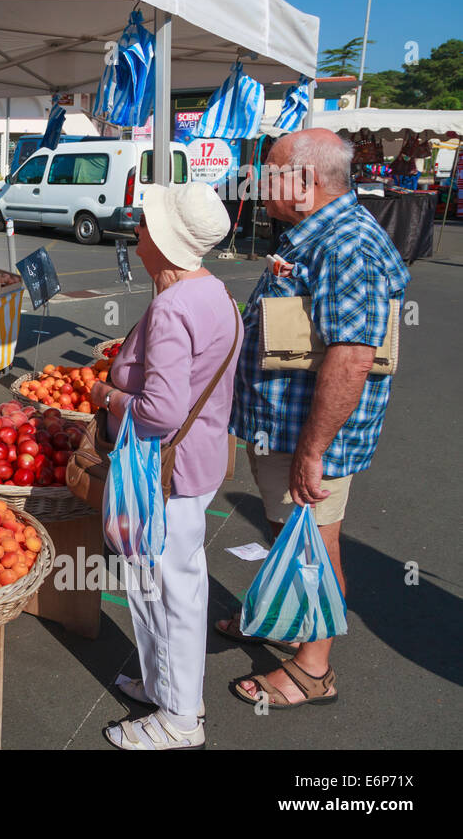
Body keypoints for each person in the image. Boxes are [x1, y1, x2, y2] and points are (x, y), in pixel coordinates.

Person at [219, 128, 409, 710]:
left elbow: (353, 355)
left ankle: (314, 669)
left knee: (317, 549)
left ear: (304, 182)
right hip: (292, 431)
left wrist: (311, 451)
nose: (257, 183)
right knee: (293, 538)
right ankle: (290, 622)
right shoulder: (318, 235)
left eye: (269, 172)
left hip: (309, 439)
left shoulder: (344, 244)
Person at [92, 181, 242, 750]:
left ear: (163, 238)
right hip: (192, 467)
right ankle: (167, 687)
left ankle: (181, 720)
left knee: (169, 591)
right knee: (164, 587)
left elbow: (160, 411)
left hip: (164, 476)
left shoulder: (174, 305)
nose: (137, 232)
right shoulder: (216, 295)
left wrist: (108, 398)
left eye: (145, 224)